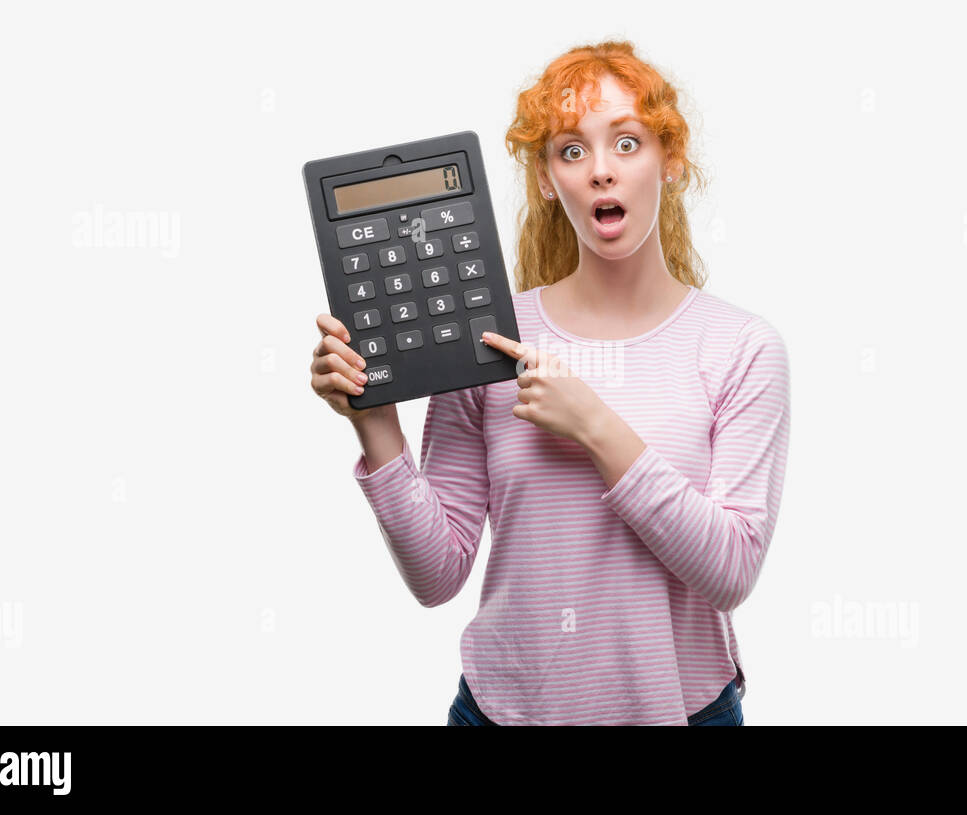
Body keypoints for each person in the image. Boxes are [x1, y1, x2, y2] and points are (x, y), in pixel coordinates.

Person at [309, 40, 790, 725]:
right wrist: (374, 421)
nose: (600, 172)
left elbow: (731, 572)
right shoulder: (490, 338)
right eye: (571, 151)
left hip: (681, 710)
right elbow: (437, 574)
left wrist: (595, 426)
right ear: (544, 178)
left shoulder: (742, 347)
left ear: (671, 161)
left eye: (627, 143)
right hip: (500, 711)